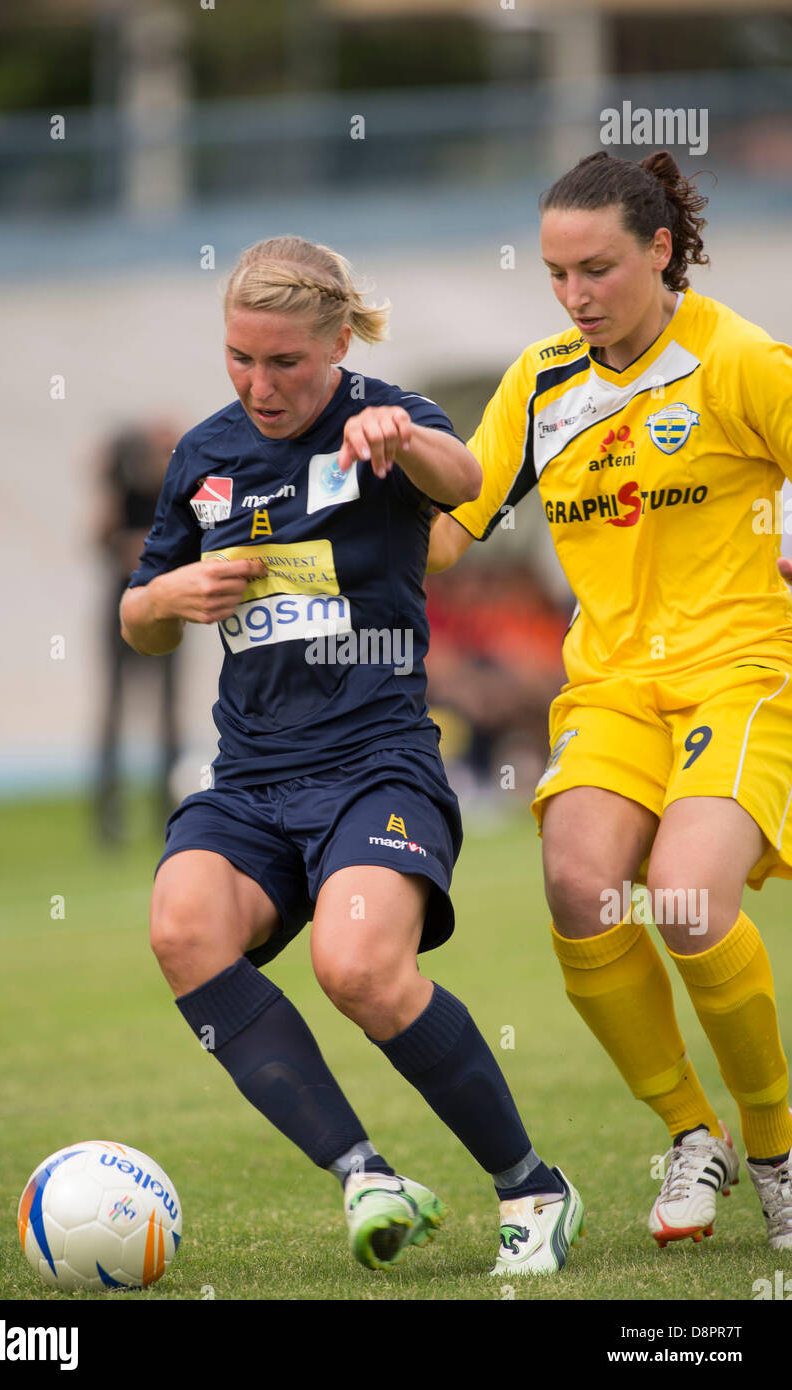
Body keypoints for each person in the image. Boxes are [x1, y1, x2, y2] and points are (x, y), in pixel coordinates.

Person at [119, 236, 583, 1278]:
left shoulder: (387, 421)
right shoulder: (203, 456)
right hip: (249, 781)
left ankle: (532, 1187)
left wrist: (404, 440)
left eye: (285, 361)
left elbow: (465, 479)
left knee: (358, 967)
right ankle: (367, 1175)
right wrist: (164, 599)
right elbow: (137, 618)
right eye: (240, 357)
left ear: (337, 341)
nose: (259, 383)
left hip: (377, 767)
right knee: (181, 927)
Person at [429, 150, 792, 1252]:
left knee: (685, 900)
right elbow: (452, 527)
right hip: (611, 686)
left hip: (741, 674)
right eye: (554, 275)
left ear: (660, 251)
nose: (575, 296)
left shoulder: (739, 361)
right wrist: (379, 472)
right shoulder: (540, 381)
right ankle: (693, 1133)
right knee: (578, 882)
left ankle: (775, 1151)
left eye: (595, 269)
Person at [94, 422, 180, 841]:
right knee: (113, 713)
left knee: (168, 714)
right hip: (121, 605)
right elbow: (100, 539)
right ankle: (107, 817)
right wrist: (108, 481)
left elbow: (178, 543)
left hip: (165, 604)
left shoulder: (174, 491)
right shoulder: (124, 488)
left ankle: (166, 810)